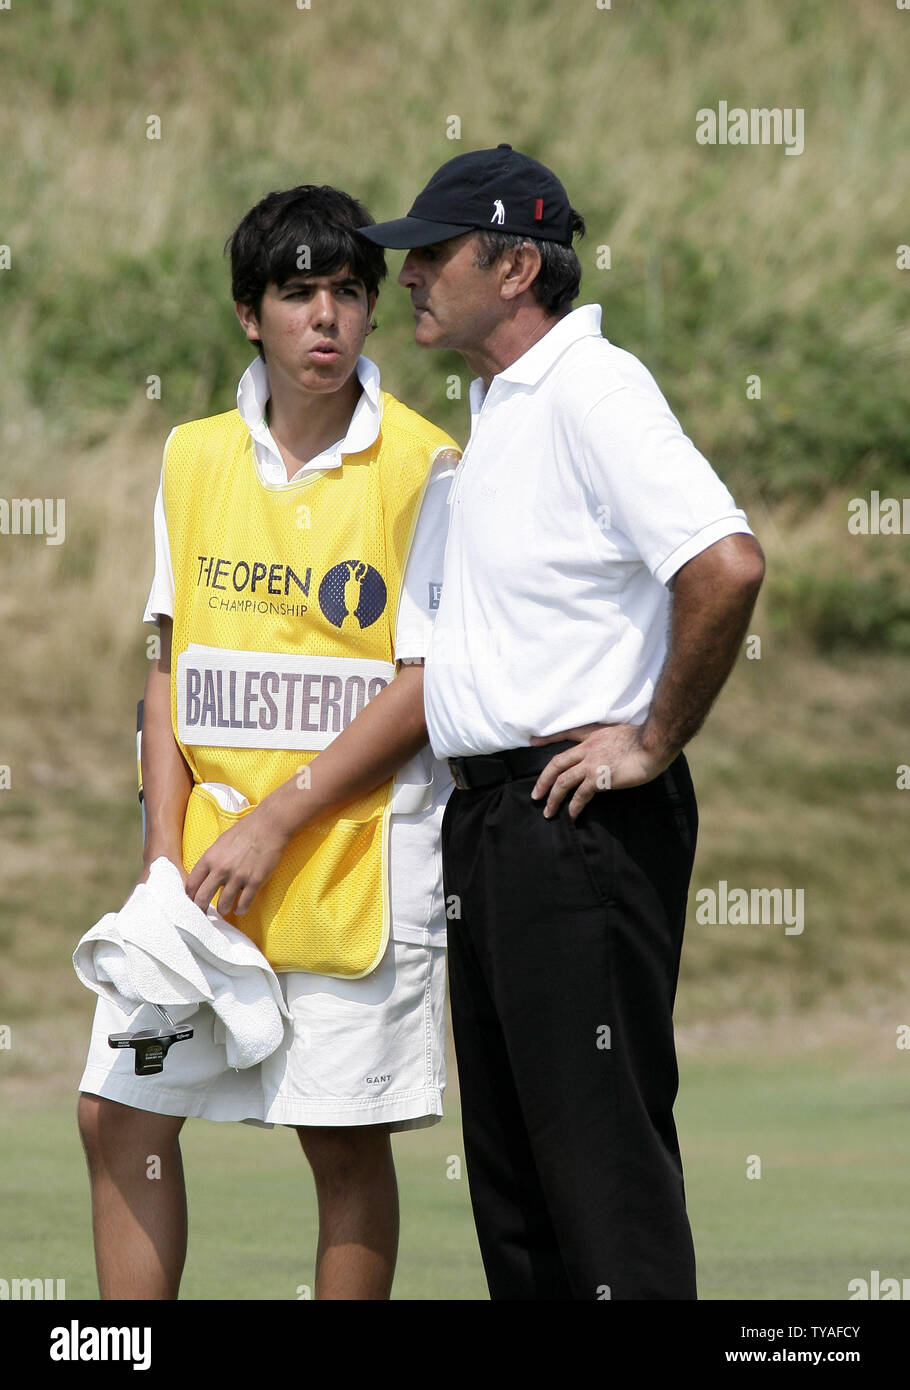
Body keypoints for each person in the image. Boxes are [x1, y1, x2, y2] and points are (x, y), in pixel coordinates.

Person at [358, 144, 766, 1300]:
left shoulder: (593, 389)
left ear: (517, 265)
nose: (409, 279)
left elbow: (725, 566)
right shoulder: (501, 410)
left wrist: (652, 739)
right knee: (517, 1189)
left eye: (433, 254)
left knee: (599, 1169)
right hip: (492, 821)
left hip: (571, 817)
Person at [76, 184, 460, 1300]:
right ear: (251, 312)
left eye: (348, 292)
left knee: (339, 1143)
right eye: (297, 293)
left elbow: (424, 685)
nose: (325, 318)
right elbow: (167, 669)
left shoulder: (427, 464)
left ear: (375, 310)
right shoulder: (191, 456)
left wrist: (280, 818)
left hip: (357, 872)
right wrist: (161, 852)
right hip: (201, 875)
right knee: (120, 1112)